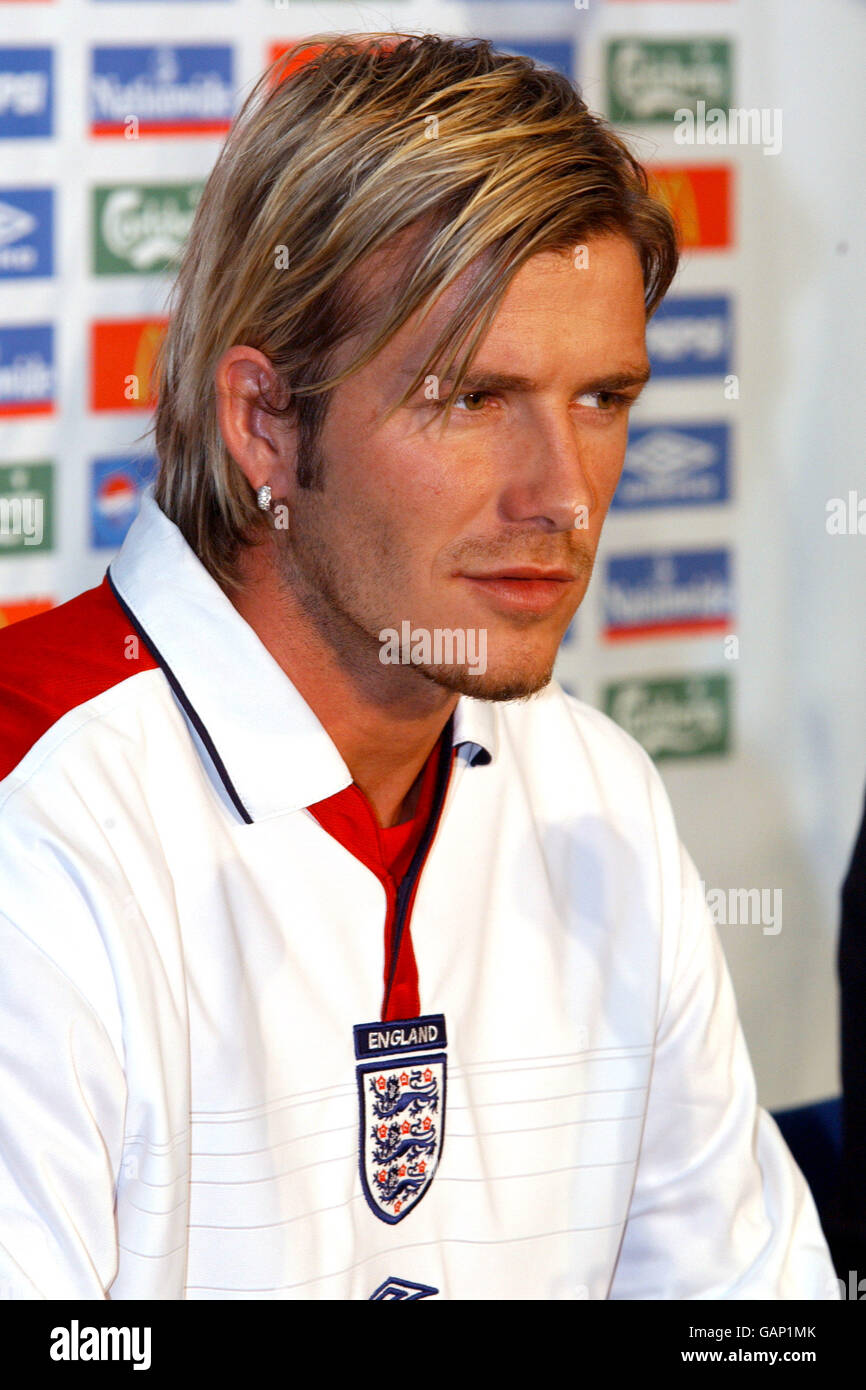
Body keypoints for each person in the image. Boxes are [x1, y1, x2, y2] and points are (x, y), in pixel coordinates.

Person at [0, 32, 838, 1300]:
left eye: (602, 400)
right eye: (469, 398)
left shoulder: (593, 790)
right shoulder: (42, 819)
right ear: (264, 424)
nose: (561, 496)